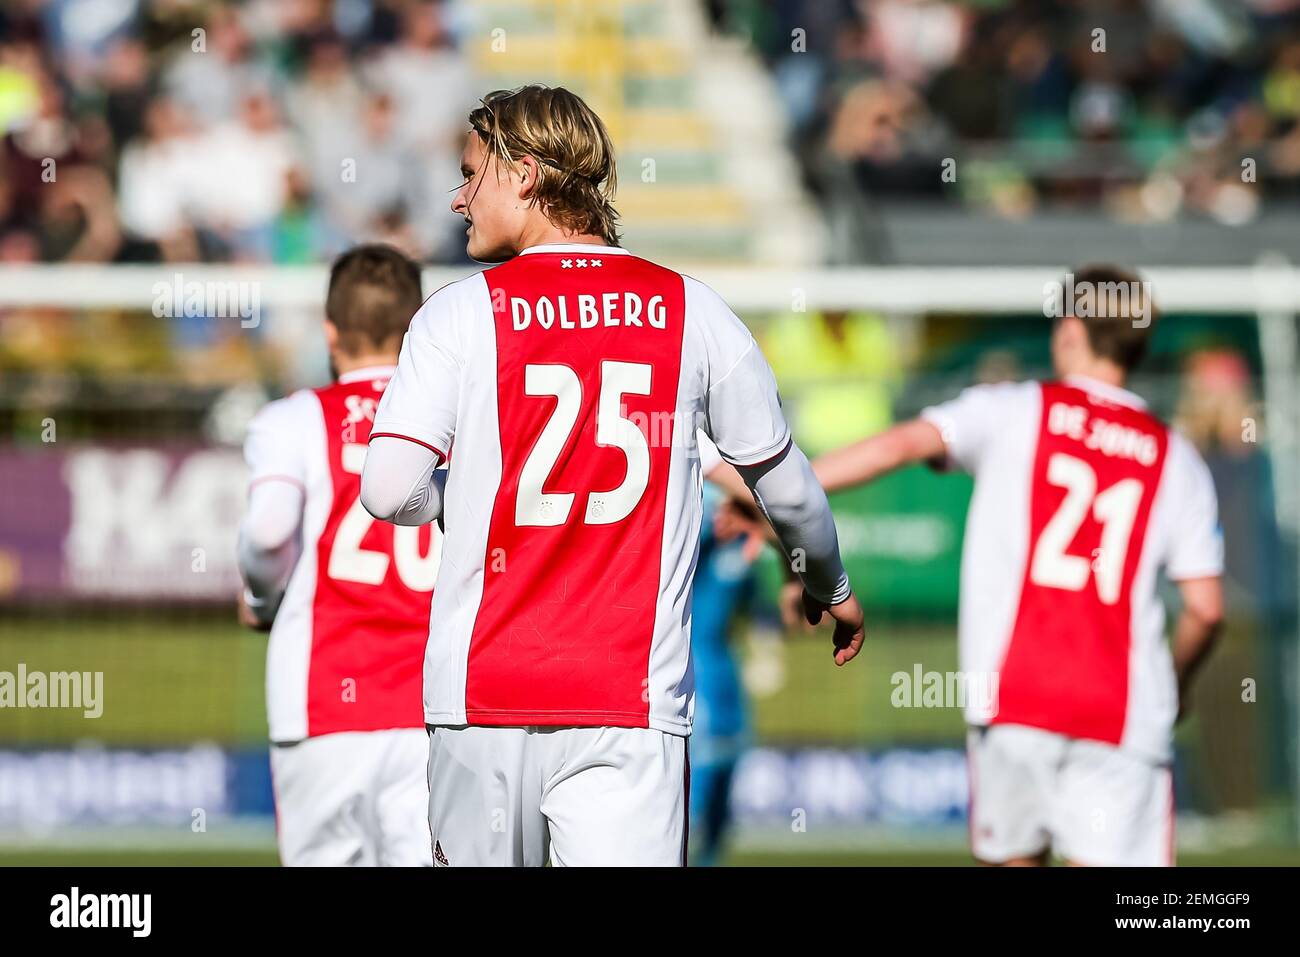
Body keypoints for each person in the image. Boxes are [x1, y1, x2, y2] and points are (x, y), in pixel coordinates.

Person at [360, 85, 864, 867]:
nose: (458, 199)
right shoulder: (693, 310)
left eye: (470, 174)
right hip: (627, 707)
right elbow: (790, 489)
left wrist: (457, 504)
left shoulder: (458, 314)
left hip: (479, 699)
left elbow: (389, 489)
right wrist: (831, 584)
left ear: (524, 173)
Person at [810, 265, 1224, 866]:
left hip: (1015, 700)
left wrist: (776, 497)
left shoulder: (1014, 410)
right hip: (1122, 714)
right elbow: (1206, 609)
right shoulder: (1176, 457)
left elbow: (899, 445)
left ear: (1073, 330)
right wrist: (1176, 685)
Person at [237, 244, 438, 866]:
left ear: (330, 331)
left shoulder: (293, 419)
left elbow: (269, 533)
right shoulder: (456, 421)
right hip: (434, 713)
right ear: (419, 325)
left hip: (321, 711)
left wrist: (258, 597)